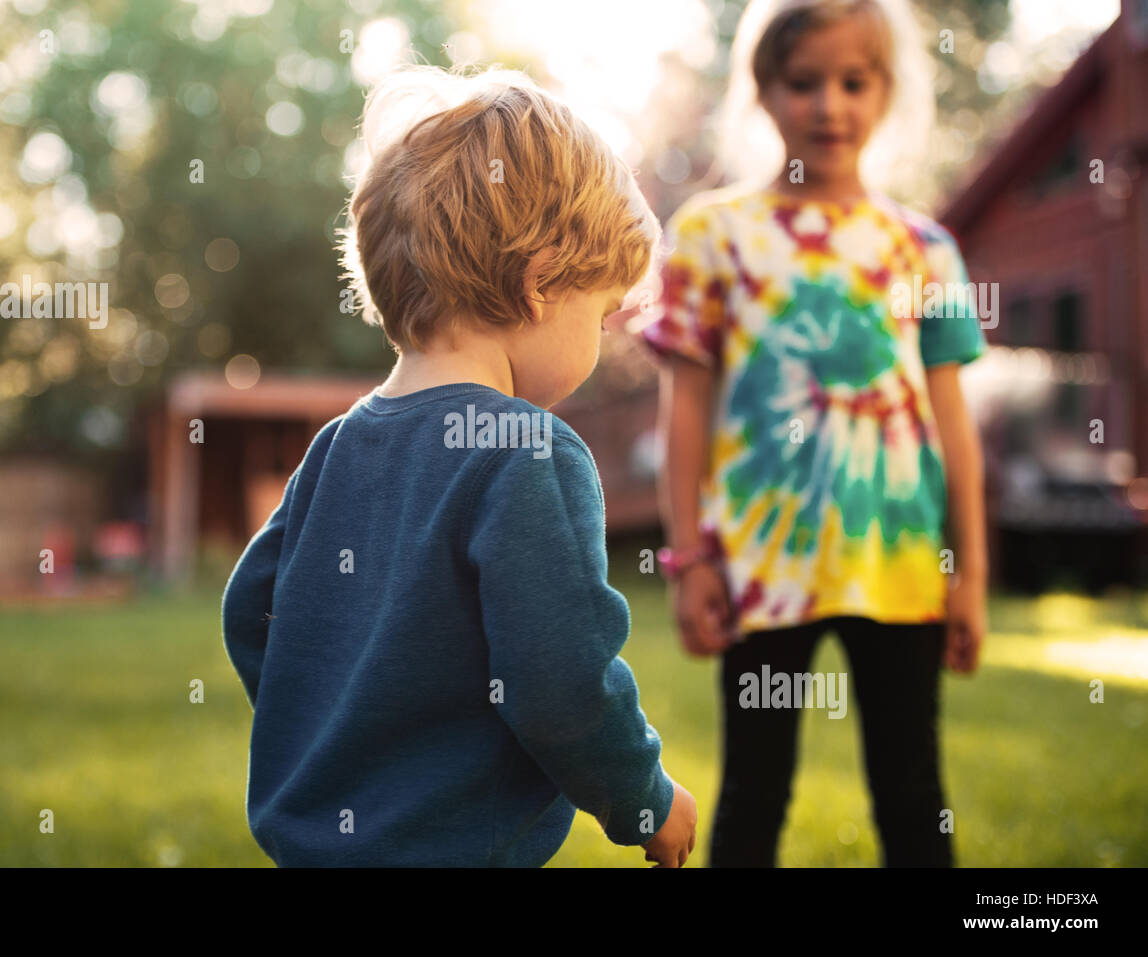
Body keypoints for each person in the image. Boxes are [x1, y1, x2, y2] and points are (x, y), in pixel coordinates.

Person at [223, 64, 698, 867]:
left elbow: (251, 611)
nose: (599, 343)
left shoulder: (337, 445)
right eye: (601, 312)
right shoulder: (528, 451)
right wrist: (644, 795)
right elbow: (561, 678)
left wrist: (331, 736)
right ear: (542, 282)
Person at [636, 0, 988, 867]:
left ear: (886, 93)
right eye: (804, 82)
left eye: (853, 82)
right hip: (764, 561)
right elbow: (685, 411)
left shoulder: (926, 249)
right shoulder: (713, 236)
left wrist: (970, 569)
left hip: (898, 564)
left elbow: (951, 422)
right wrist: (689, 559)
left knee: (913, 798)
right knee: (754, 796)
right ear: (763, 91)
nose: (830, 104)